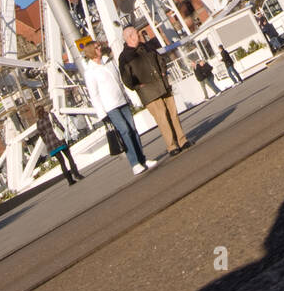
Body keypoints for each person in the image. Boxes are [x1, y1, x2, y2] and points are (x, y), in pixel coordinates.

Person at [82, 40, 155, 175]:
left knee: (133, 129)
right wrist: (102, 114)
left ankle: (142, 159)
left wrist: (130, 97)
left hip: (122, 101)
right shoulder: (90, 72)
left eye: (99, 46)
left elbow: (120, 82)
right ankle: (134, 163)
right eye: (97, 47)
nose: (100, 48)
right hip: (110, 106)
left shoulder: (108, 62)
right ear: (92, 52)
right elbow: (94, 94)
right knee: (125, 131)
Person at [120, 26, 191, 156]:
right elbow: (126, 78)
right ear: (130, 36)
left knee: (173, 114)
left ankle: (182, 140)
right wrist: (137, 86)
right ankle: (172, 146)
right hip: (149, 92)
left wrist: (163, 73)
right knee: (162, 118)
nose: (139, 35)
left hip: (163, 85)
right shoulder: (125, 56)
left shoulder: (146, 47)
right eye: (136, 33)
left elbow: (160, 59)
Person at [35, 102, 84, 185]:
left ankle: (70, 180)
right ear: (43, 109)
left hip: (51, 145)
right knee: (69, 157)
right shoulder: (50, 115)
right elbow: (58, 125)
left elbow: (42, 135)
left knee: (62, 162)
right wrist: (63, 131)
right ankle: (77, 174)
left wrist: (48, 142)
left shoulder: (38, 123)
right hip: (59, 139)